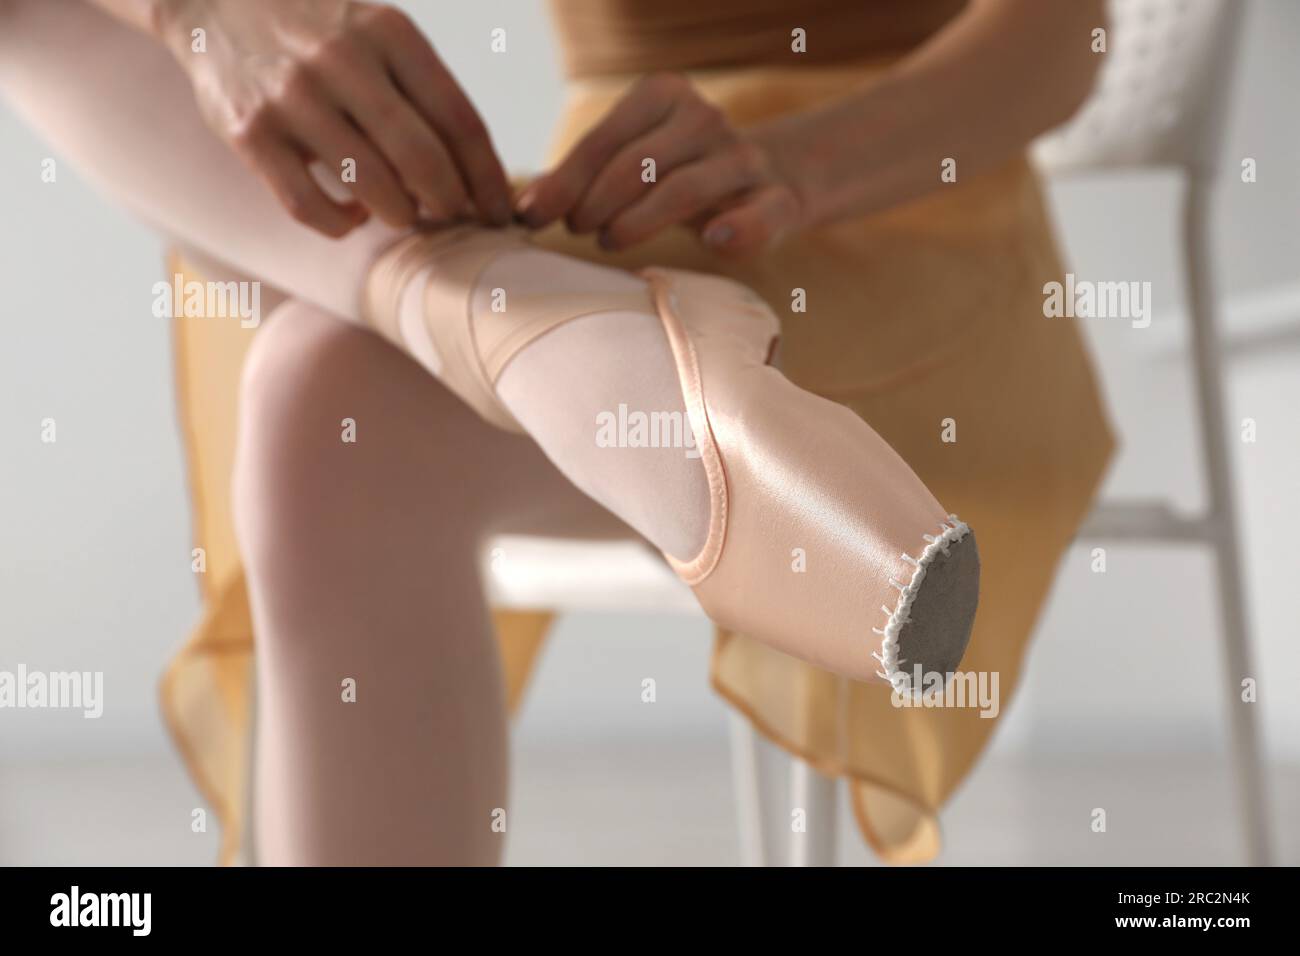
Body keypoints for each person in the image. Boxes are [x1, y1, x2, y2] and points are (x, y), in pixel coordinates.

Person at [0, 0, 1114, 865]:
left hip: (887, 212)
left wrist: (793, 165)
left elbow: (1070, 33)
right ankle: (517, 321)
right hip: (604, 219)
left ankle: (493, 316)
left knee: (327, 396)